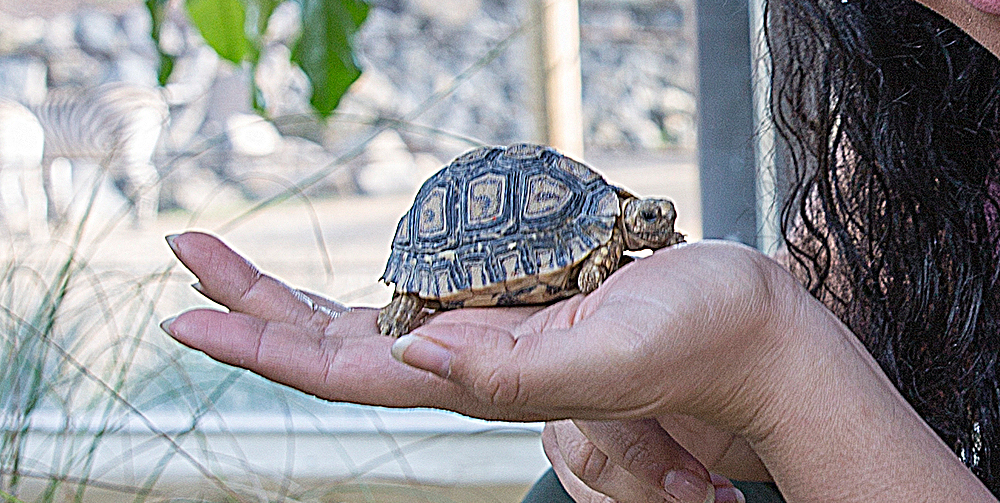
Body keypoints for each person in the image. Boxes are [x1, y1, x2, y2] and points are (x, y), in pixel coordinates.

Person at [160, 0, 1000, 501]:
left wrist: (776, 366)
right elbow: (864, 372)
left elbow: (790, 351)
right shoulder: (934, 118)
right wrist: (716, 410)